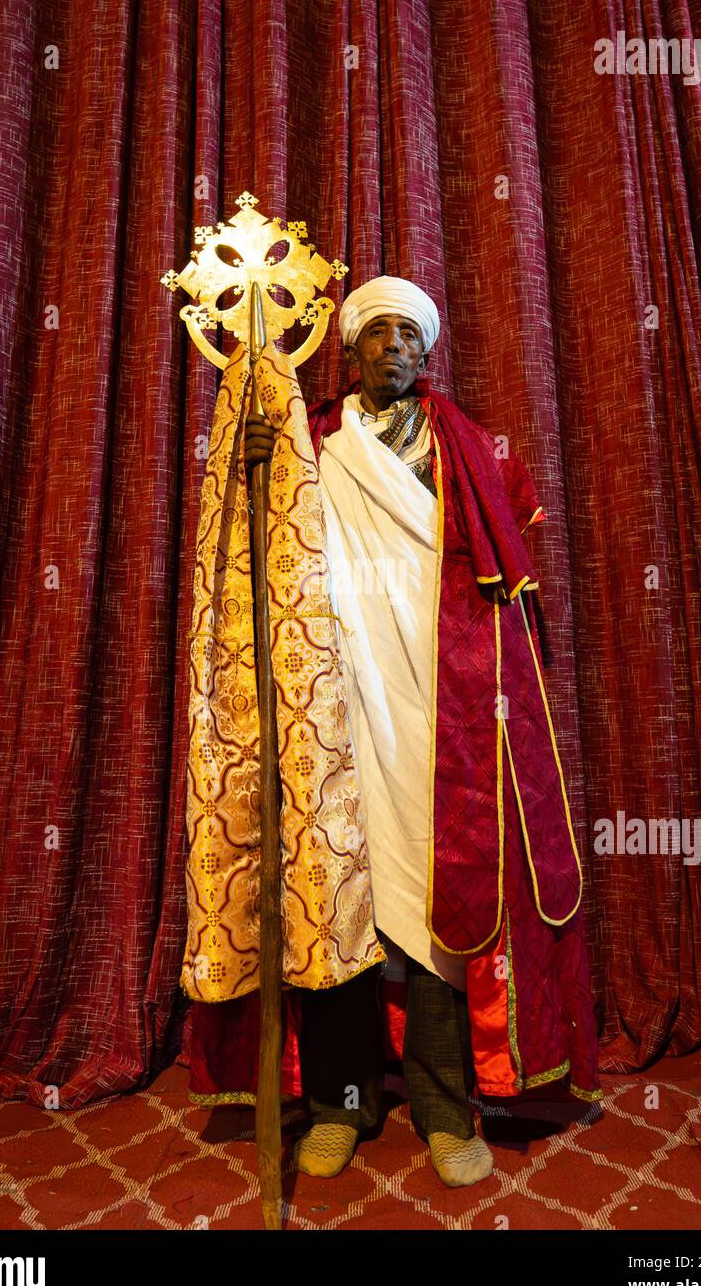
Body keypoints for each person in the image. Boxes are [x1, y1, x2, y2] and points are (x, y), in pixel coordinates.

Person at [243, 276, 601, 1187]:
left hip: (438, 709)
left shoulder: (468, 451)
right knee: (338, 908)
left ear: (425, 356)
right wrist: (251, 466)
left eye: (410, 337)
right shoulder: (309, 444)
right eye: (378, 336)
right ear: (351, 352)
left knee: (443, 914)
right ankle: (340, 1105)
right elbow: (261, 545)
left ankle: (447, 1111)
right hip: (331, 698)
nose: (394, 350)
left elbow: (495, 580)